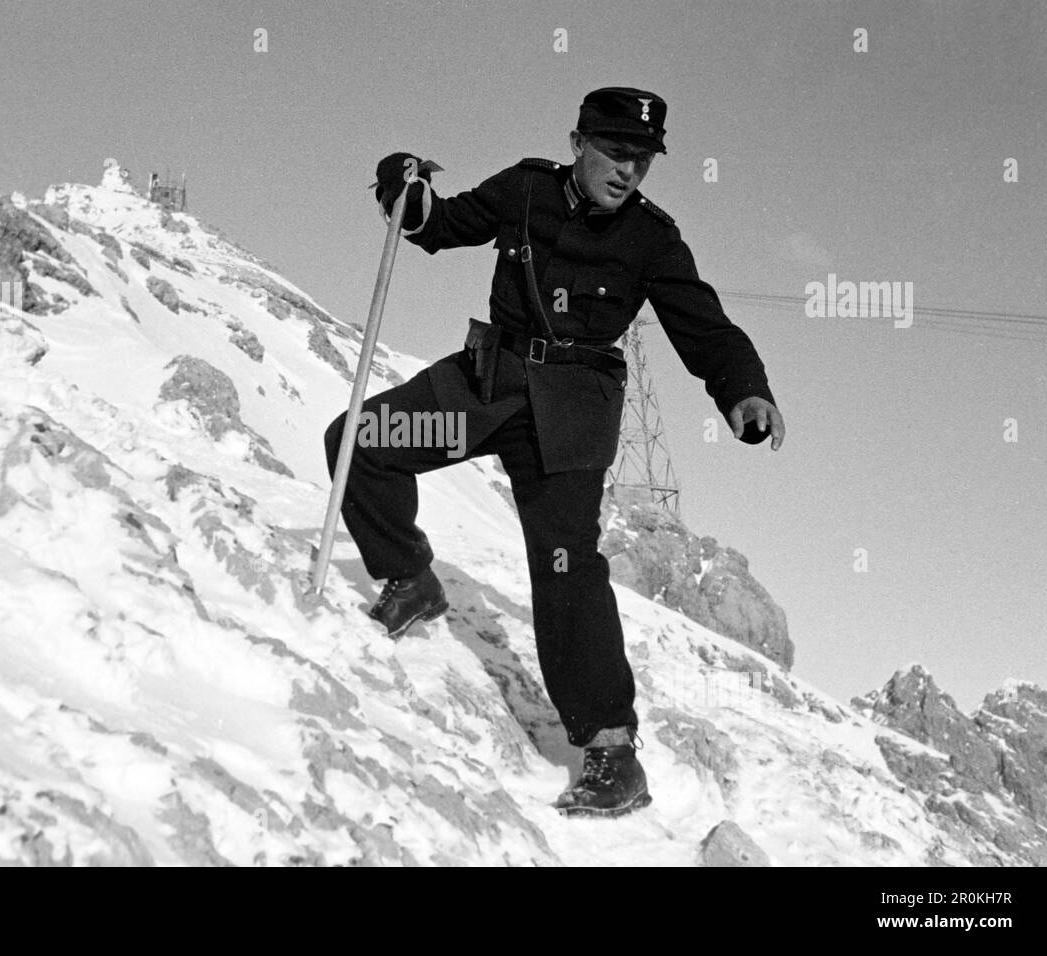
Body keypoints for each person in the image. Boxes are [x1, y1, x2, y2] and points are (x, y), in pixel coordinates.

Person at [324, 87, 785, 817]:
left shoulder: (653, 240)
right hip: (489, 384)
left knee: (566, 566)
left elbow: (706, 328)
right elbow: (438, 226)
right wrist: (401, 184)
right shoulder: (527, 190)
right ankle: (409, 577)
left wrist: (743, 391)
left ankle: (611, 753)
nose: (630, 170)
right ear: (579, 141)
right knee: (362, 440)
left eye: (643, 159)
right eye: (617, 152)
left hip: (570, 415)